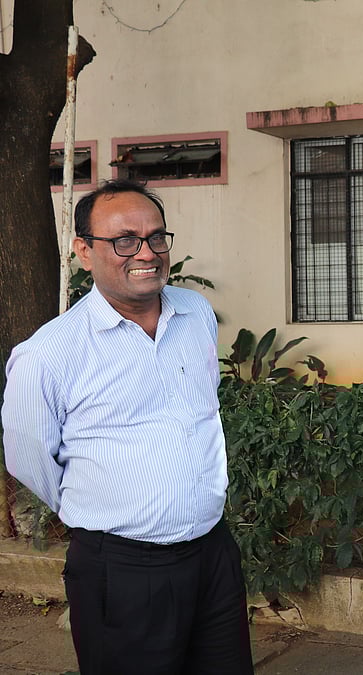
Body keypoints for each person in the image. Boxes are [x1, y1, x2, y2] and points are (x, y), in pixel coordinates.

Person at [3, 180, 252, 674]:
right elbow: (29, 459)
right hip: (124, 572)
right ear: (83, 252)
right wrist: (98, 509)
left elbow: (201, 414)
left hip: (212, 553)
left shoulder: (195, 313)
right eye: (124, 241)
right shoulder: (49, 354)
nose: (146, 252)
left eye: (156, 237)